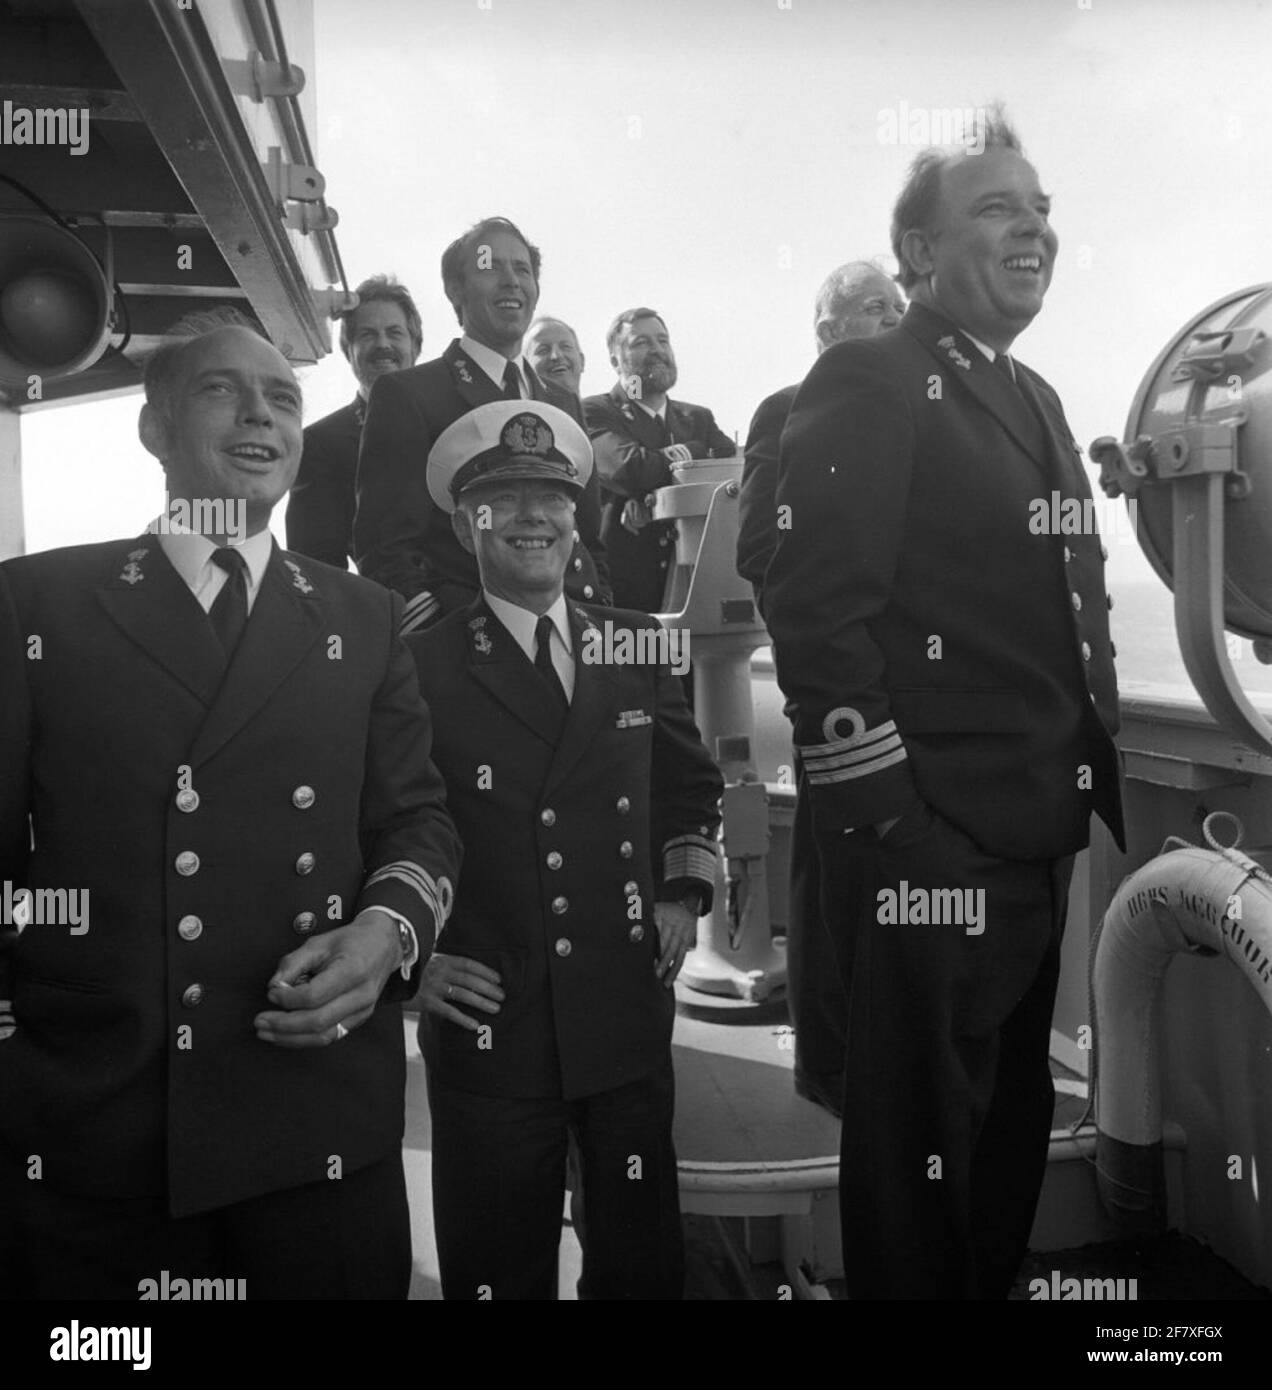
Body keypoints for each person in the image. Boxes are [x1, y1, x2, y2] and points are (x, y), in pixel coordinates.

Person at [0, 310, 460, 1300]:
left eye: (284, 397)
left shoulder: (364, 617)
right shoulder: (35, 607)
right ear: (155, 428)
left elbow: (418, 818)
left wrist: (388, 933)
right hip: (105, 1129)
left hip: (320, 1123)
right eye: (222, 389)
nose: (262, 412)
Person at [764, 111, 1125, 1299]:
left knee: (1009, 1128)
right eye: (995, 208)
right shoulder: (871, 378)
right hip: (934, 848)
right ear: (915, 255)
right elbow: (813, 607)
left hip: (1035, 836)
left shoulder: (1038, 398)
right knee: (920, 1168)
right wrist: (899, 828)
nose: (1033, 228)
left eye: (1042, 208)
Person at [408, 398, 722, 1300]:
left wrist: (680, 896)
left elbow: (690, 787)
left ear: (575, 517)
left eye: (550, 498)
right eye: (504, 499)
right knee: (499, 1266)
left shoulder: (633, 644)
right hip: (493, 1020)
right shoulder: (420, 667)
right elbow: (376, 825)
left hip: (621, 1010)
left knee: (639, 1260)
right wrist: (414, 961)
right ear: (469, 521)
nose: (532, 518)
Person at [736, 261, 905, 1118]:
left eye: (900, 306)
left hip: (939, 713)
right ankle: (832, 1072)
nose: (896, 318)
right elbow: (763, 552)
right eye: (876, 307)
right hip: (850, 703)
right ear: (827, 329)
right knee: (835, 891)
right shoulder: (786, 411)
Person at [354, 217, 610, 632]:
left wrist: (595, 614)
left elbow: (590, 536)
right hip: (471, 644)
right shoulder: (408, 394)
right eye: (491, 267)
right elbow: (385, 549)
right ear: (455, 289)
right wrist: (442, 639)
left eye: (522, 269)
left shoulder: (562, 401)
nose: (511, 281)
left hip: (573, 633)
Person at [583, 308, 735, 613]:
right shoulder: (596, 411)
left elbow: (727, 463)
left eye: (663, 340)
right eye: (641, 342)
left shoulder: (697, 418)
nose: (657, 350)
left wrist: (653, 492)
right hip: (630, 598)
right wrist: (694, 452)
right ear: (615, 360)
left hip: (696, 588)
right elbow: (631, 470)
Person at [285, 274, 423, 569]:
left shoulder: (451, 420)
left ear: (415, 345)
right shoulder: (320, 444)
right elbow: (315, 566)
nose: (382, 344)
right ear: (349, 351)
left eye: (395, 332)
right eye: (367, 334)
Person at [525, 316, 586, 399]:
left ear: (582, 361)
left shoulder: (600, 410)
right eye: (543, 350)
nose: (556, 356)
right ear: (524, 370)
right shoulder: (514, 411)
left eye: (565, 346)